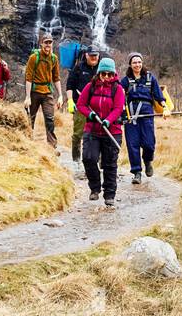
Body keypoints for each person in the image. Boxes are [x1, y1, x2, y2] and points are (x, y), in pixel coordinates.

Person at [76, 56, 125, 208]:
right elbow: (81, 104)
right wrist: (90, 115)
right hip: (92, 130)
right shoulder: (90, 87)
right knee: (88, 158)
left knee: (110, 164)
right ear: (99, 73)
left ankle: (110, 194)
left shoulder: (118, 89)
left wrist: (108, 120)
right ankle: (94, 187)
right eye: (103, 74)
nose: (106, 77)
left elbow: (118, 108)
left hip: (112, 131)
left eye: (109, 74)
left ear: (113, 74)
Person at [120, 51, 164, 184]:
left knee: (149, 144)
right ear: (130, 64)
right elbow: (120, 98)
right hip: (131, 116)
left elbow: (158, 95)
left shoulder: (150, 78)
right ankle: (137, 172)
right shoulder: (125, 80)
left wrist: (165, 107)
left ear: (142, 63)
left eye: (139, 62)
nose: (137, 64)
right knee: (132, 144)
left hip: (147, 115)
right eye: (134, 62)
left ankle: (148, 161)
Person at [66, 40, 101, 174]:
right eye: (91, 55)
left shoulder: (102, 69)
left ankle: (96, 162)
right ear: (86, 55)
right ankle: (76, 161)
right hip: (81, 106)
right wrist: (70, 101)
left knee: (98, 134)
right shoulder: (78, 68)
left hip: (98, 107)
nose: (93, 58)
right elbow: (69, 85)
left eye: (96, 55)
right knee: (78, 134)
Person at [24, 31, 62, 148]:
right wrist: (27, 97)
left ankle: (52, 146)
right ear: (41, 44)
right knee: (30, 118)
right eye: (46, 43)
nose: (48, 45)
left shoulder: (54, 59)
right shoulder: (34, 58)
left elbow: (56, 78)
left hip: (47, 92)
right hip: (35, 91)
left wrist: (60, 95)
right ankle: (27, 141)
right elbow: (28, 77)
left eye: (50, 43)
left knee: (50, 119)